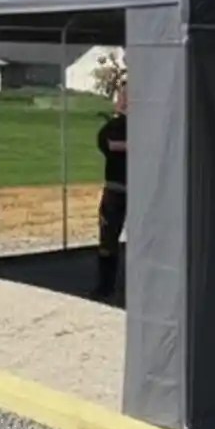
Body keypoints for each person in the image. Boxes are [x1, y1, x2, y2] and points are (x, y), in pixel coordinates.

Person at [93, 84, 127, 299]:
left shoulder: (149, 125)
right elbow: (111, 144)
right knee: (108, 241)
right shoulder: (112, 128)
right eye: (122, 95)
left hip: (143, 192)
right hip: (115, 191)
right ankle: (106, 286)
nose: (124, 100)